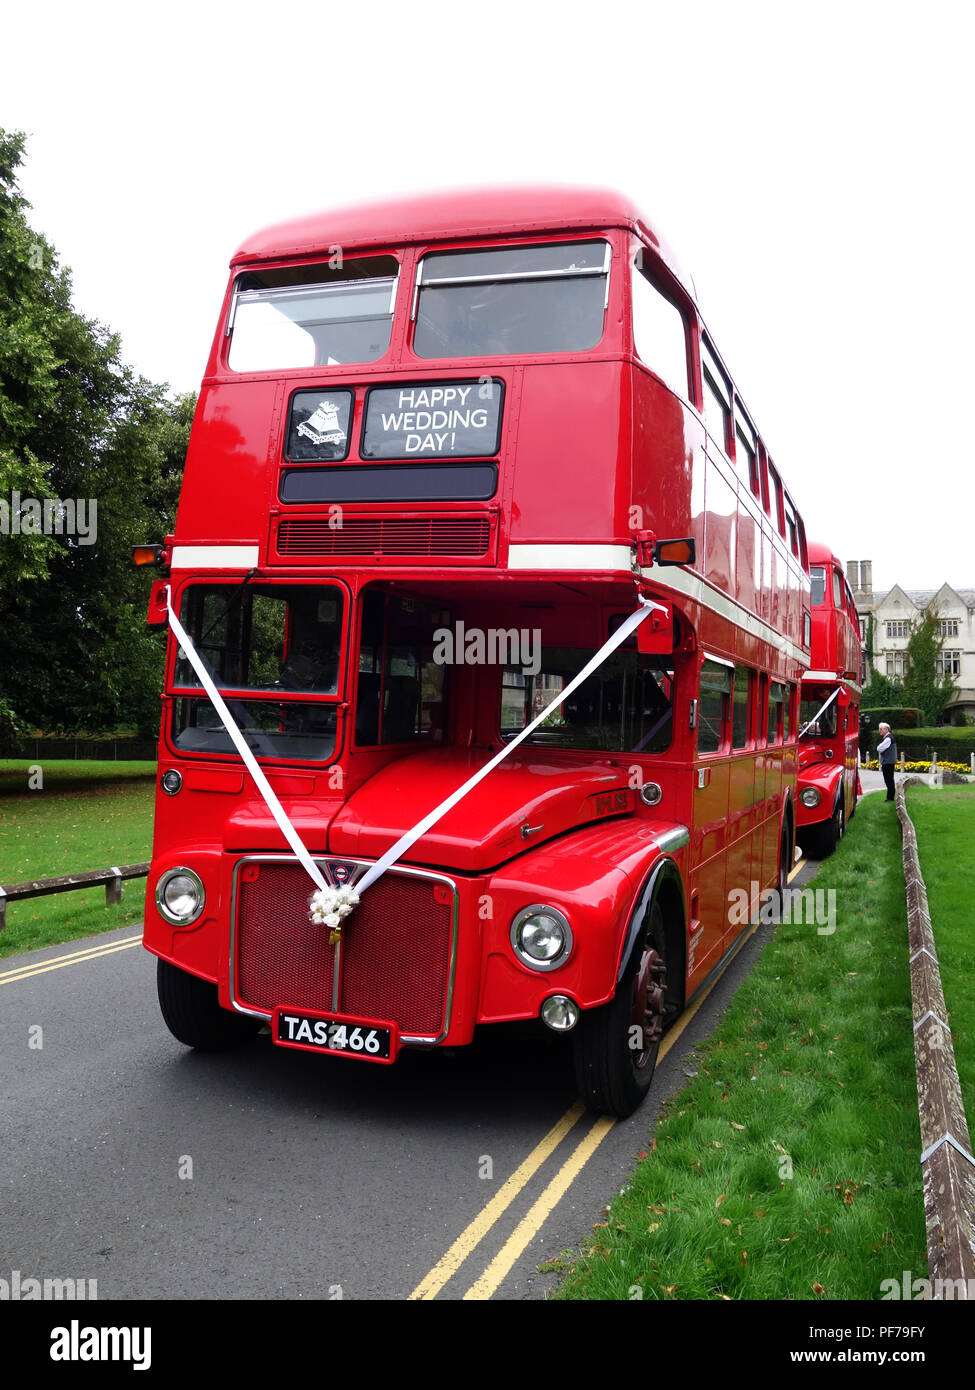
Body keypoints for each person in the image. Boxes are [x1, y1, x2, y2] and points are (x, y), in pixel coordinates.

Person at [877, 722, 897, 801]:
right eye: (879, 729)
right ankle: (890, 797)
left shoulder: (888, 738)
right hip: (888, 761)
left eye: (881, 729)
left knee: (889, 780)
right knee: (889, 780)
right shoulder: (888, 737)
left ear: (886, 729)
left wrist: (878, 747)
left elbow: (879, 748)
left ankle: (890, 797)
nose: (880, 731)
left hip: (888, 762)